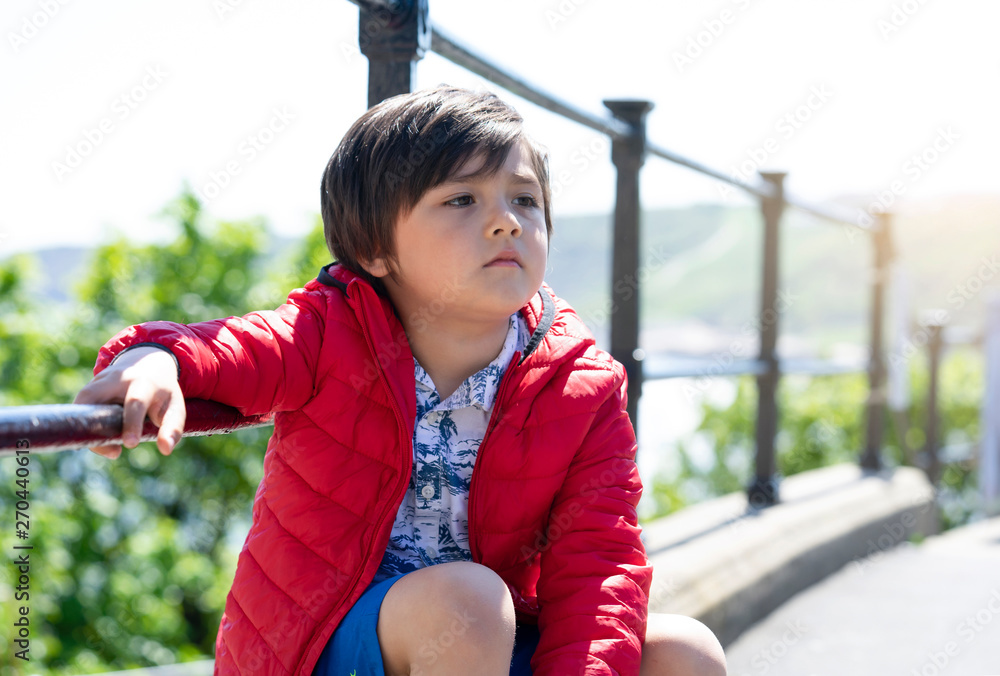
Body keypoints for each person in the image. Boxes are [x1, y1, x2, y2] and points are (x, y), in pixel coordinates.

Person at [75, 85, 726, 676]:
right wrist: (152, 360)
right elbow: (229, 348)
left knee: (684, 653)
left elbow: (598, 564)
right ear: (375, 249)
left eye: (524, 199)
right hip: (328, 645)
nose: (507, 220)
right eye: (462, 199)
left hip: (482, 641)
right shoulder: (330, 332)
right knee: (470, 601)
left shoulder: (580, 382)